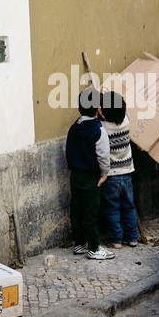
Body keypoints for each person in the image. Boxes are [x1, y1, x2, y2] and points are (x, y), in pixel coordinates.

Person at [66, 87, 115, 260]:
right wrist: (104, 175)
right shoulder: (98, 131)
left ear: (78, 108)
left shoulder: (73, 129)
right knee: (91, 213)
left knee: (77, 212)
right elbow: (103, 156)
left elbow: (68, 150)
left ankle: (80, 243)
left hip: (75, 176)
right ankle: (94, 248)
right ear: (99, 109)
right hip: (91, 177)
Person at [100, 91, 139, 249]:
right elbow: (123, 112)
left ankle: (116, 240)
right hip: (127, 173)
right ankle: (132, 238)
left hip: (111, 176)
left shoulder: (103, 128)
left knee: (112, 209)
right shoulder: (126, 121)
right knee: (128, 206)